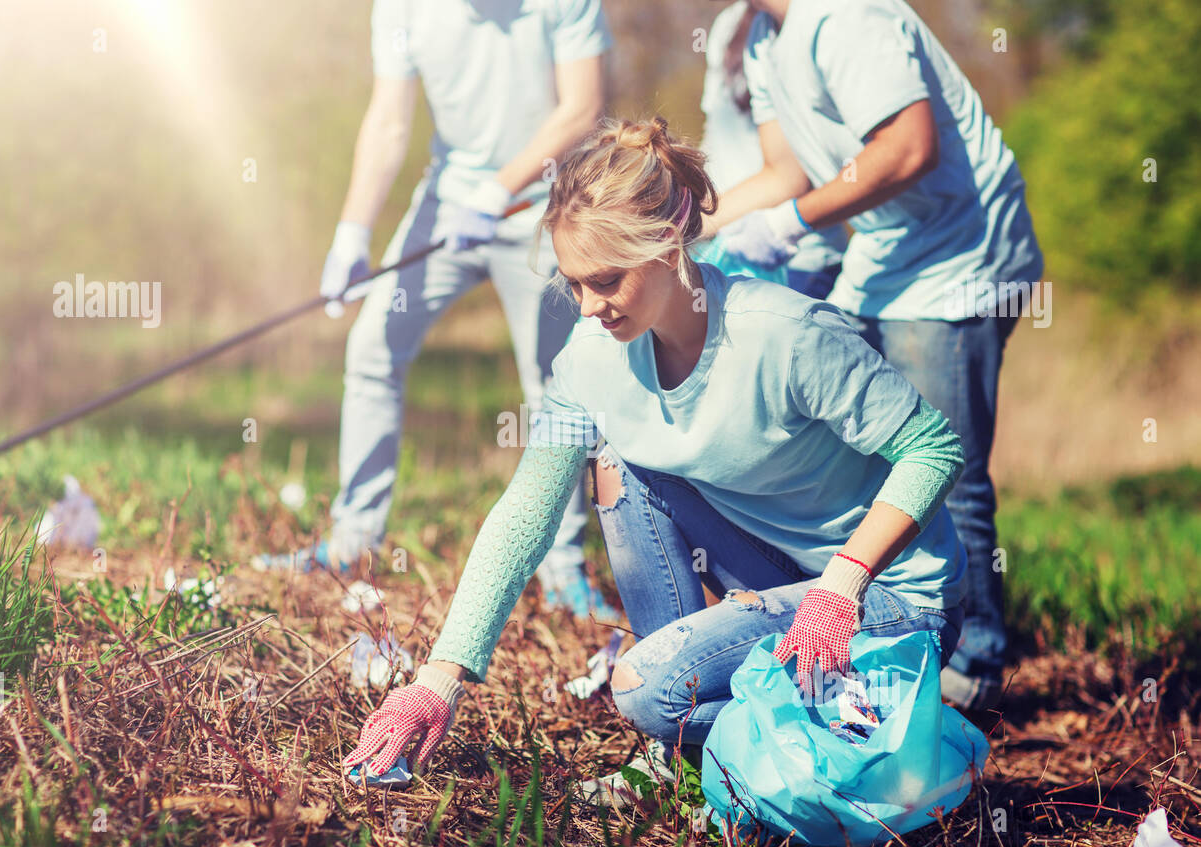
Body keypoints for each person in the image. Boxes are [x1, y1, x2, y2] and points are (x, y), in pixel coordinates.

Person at [342, 118, 969, 806]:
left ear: (669, 241)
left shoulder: (786, 334)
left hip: (886, 595)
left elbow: (933, 450)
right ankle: (722, 746)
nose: (589, 308)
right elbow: (527, 510)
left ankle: (853, 720)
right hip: (773, 572)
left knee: (647, 688)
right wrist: (439, 677)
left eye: (606, 280)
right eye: (573, 284)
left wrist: (841, 584)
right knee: (619, 461)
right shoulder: (591, 361)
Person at [705, 0, 1044, 708]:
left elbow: (907, 149)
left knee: (941, 463)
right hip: (886, 255)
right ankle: (873, 624)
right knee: (853, 451)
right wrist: (676, 226)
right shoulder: (763, 37)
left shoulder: (846, 15)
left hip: (961, 260)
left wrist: (792, 223)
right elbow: (784, 172)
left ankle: (974, 668)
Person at [253, 0, 613, 619]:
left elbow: (582, 106)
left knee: (556, 386)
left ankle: (562, 568)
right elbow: (390, 121)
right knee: (371, 350)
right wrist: (352, 233)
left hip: (545, 205)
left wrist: (501, 187)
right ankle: (352, 542)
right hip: (446, 204)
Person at [697, 0, 847, 297]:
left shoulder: (821, 19)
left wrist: (690, 223)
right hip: (725, 253)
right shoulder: (728, 24)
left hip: (795, 258)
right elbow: (715, 133)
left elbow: (790, 175)